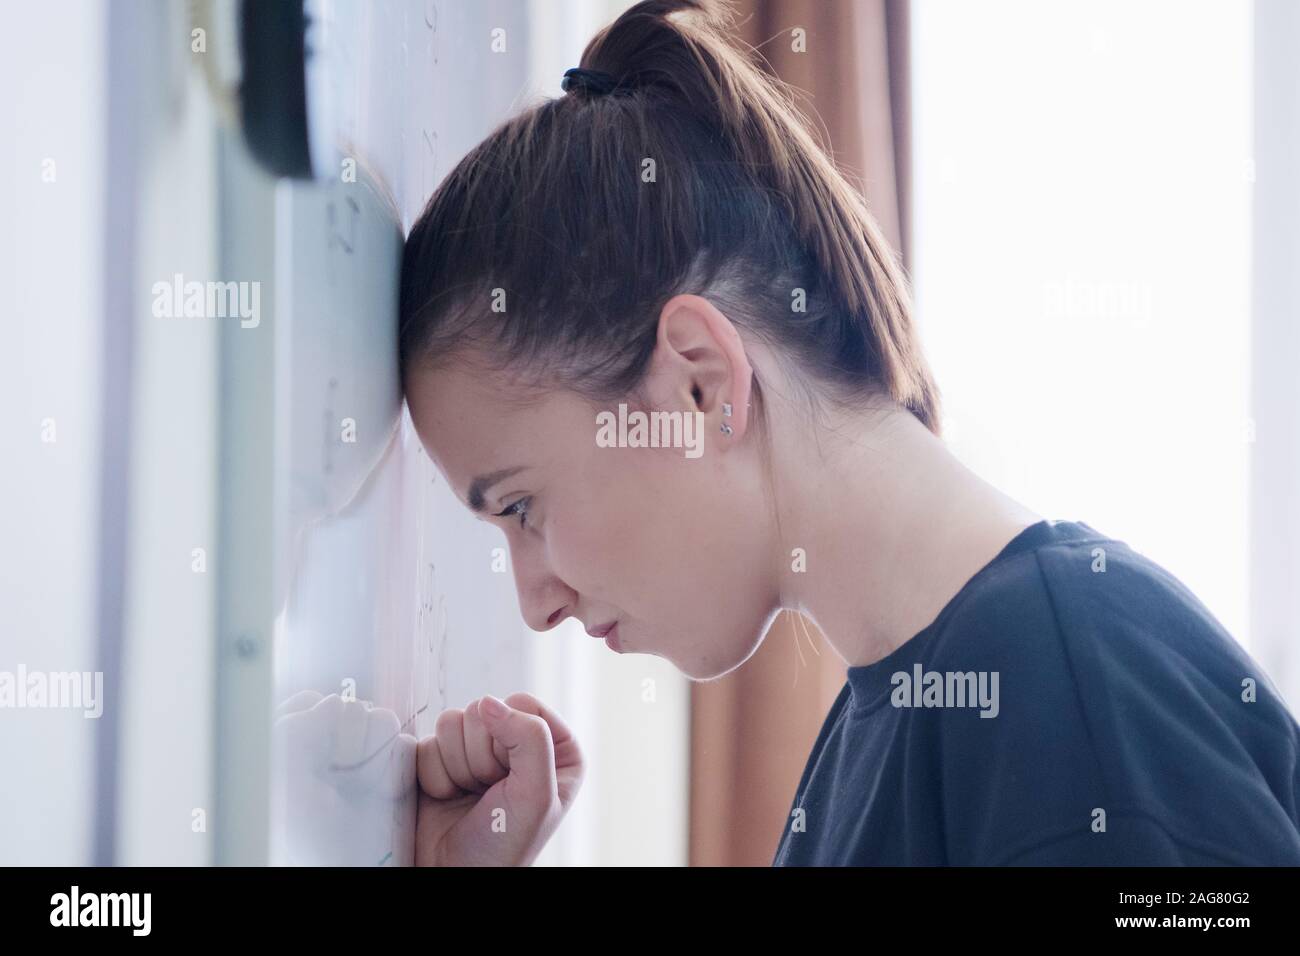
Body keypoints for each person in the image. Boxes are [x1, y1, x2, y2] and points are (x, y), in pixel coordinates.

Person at [398, 0, 1300, 866]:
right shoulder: (900, 721)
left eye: (520, 506)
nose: (534, 601)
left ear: (700, 384)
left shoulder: (1067, 683)